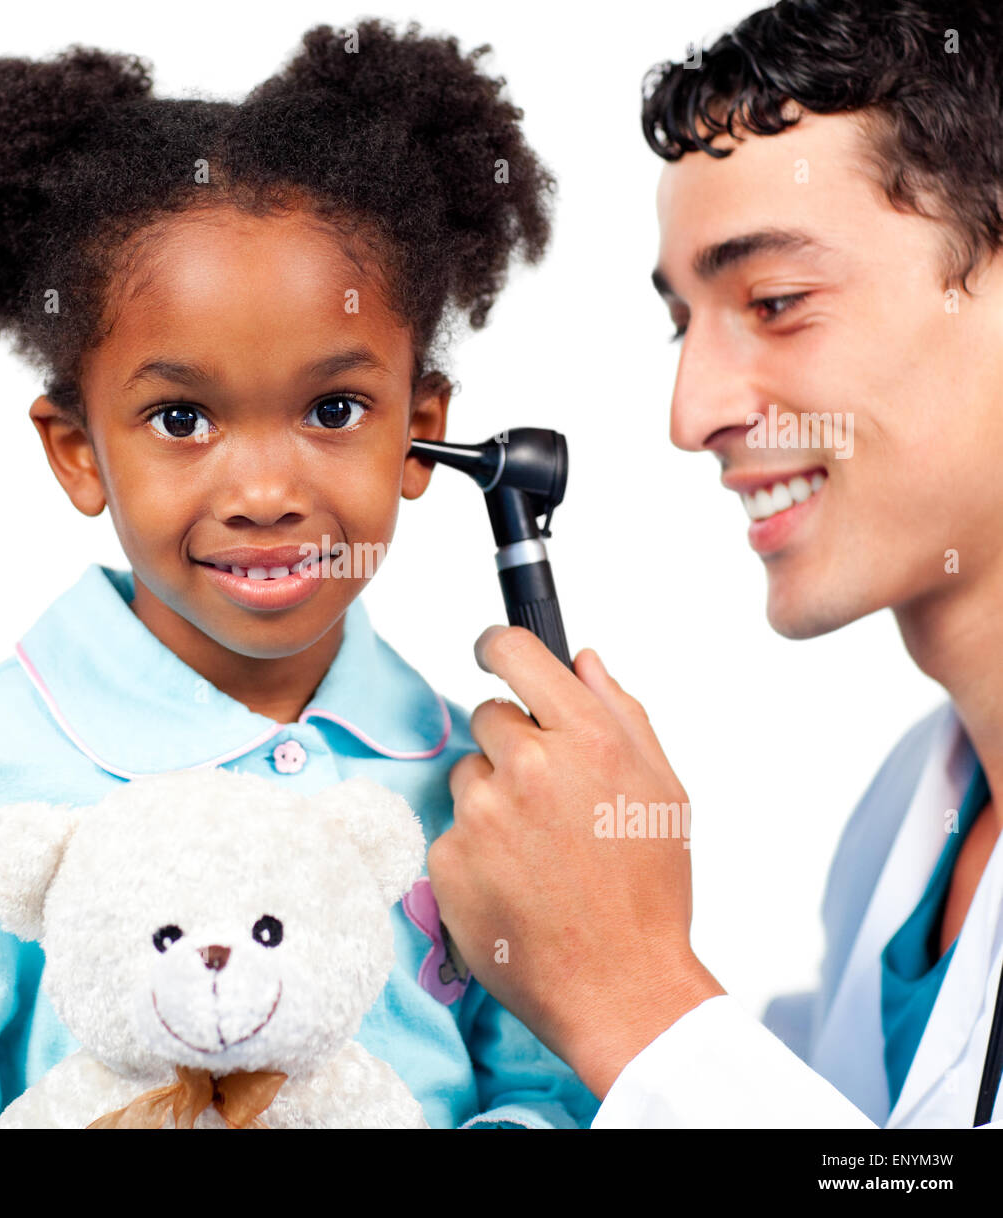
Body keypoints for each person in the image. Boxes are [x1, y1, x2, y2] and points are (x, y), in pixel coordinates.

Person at [0, 21, 602, 1129]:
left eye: (333, 410)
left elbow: (555, 1087)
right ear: (78, 451)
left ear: (420, 434)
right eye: (181, 417)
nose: (263, 489)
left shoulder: (474, 783)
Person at [428, 0, 1003, 1128]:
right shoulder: (909, 821)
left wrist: (632, 997)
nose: (690, 414)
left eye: (777, 304)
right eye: (684, 322)